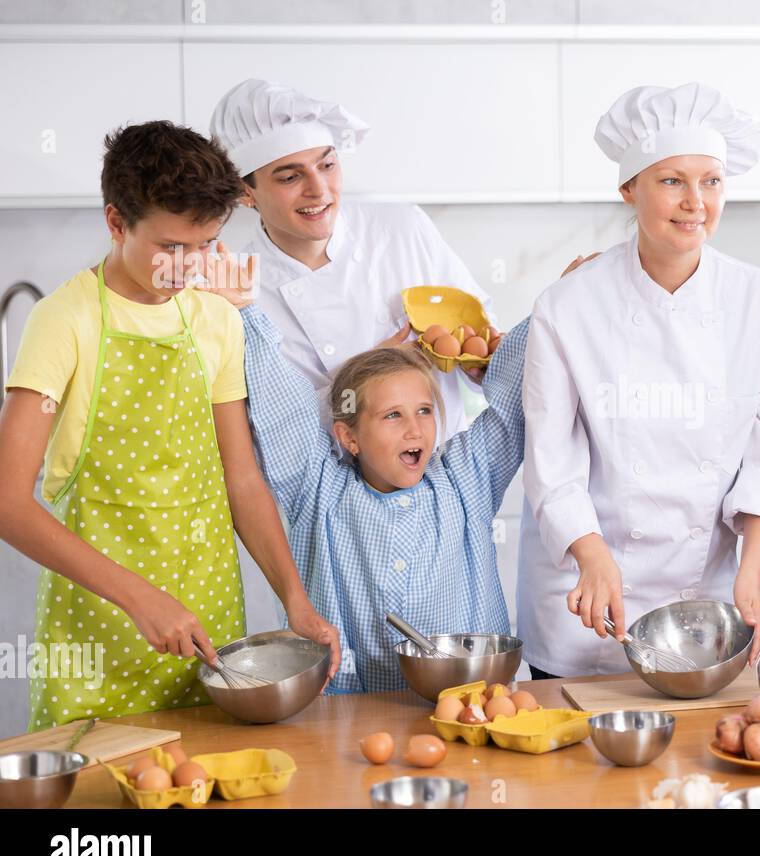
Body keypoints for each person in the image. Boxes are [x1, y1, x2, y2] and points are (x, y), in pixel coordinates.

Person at [0, 122, 338, 729]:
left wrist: (296, 599)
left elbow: (242, 480)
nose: (189, 267)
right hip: (97, 636)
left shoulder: (216, 321)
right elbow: (6, 503)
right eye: (170, 248)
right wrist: (140, 598)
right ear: (115, 222)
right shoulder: (64, 320)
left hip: (206, 629)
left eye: (205, 244)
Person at [516, 83, 760, 678]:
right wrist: (591, 555)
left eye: (711, 181)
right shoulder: (567, 307)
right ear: (629, 188)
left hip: (709, 600)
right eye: (672, 180)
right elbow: (552, 461)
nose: (695, 201)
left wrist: (751, 574)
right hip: (588, 598)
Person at [216, 282, 530, 693]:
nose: (415, 428)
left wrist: (563, 299)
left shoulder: (463, 479)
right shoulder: (320, 491)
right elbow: (286, 412)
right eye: (392, 416)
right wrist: (245, 312)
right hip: (352, 717)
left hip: (464, 702)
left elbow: (508, 409)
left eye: (423, 410)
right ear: (349, 437)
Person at [209, 79, 494, 435]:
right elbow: (271, 430)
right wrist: (371, 374)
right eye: (289, 177)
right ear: (244, 192)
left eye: (326, 165)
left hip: (440, 474)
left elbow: (484, 343)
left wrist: (480, 364)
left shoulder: (403, 229)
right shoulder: (236, 291)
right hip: (322, 488)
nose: (319, 190)